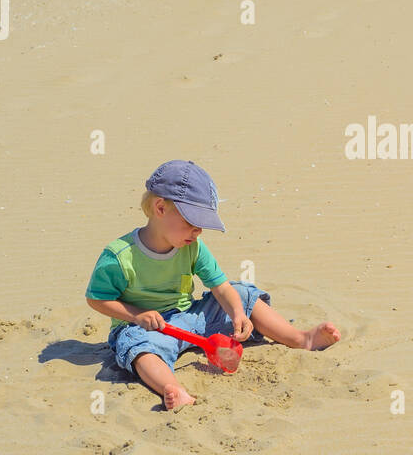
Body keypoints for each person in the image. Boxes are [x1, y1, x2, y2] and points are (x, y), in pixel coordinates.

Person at [85, 160, 340, 410]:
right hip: (146, 328)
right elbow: (97, 299)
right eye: (191, 223)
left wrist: (238, 313)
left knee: (241, 293)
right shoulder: (120, 256)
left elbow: (220, 287)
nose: (197, 233)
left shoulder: (192, 246)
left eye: (201, 227)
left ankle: (300, 338)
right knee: (140, 349)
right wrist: (137, 315)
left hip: (189, 317)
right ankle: (171, 388)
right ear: (160, 208)